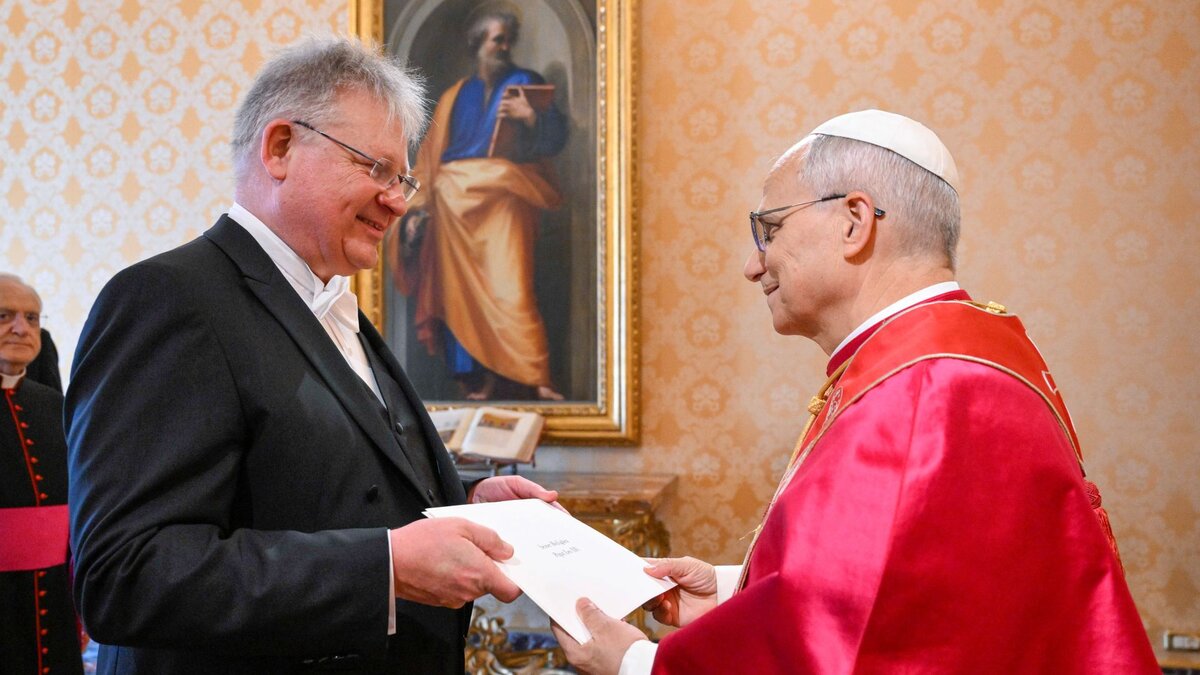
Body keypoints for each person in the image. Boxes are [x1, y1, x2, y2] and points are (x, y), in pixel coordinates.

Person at [552, 110, 1159, 673]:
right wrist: (734, 589)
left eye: (769, 228)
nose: (752, 264)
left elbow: (851, 644)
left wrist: (639, 664)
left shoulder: (924, 389)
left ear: (853, 221)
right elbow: (913, 593)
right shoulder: (947, 353)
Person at [65, 37, 558, 674]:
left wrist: (465, 506)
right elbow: (126, 574)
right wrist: (384, 568)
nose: (399, 199)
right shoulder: (169, 298)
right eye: (375, 168)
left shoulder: (331, 305)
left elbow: (319, 482)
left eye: (403, 177)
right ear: (279, 148)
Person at [390, 9, 568, 401]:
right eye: (496, 40)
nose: (504, 47)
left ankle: (534, 372)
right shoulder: (455, 96)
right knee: (459, 293)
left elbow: (554, 140)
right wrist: (419, 211)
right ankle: (475, 379)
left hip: (505, 200)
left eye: (508, 39)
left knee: (511, 288)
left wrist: (530, 119)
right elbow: (429, 165)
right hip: (453, 208)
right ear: (478, 46)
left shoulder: (525, 84)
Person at [0, 273, 84, 675]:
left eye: (32, 318)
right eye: (5, 315)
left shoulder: (55, 405)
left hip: (54, 591)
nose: (21, 328)